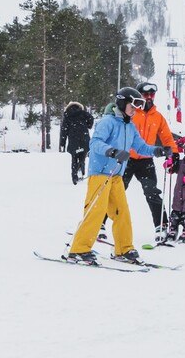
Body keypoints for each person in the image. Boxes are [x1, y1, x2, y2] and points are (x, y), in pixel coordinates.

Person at [65, 87, 158, 265]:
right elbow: (95, 143)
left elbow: (140, 147)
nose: (136, 109)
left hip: (116, 176)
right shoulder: (107, 122)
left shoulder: (130, 126)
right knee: (96, 211)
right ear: (123, 103)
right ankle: (79, 249)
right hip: (100, 173)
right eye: (133, 105)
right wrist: (112, 151)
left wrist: (158, 150)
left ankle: (123, 250)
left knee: (121, 212)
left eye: (139, 106)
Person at [126, 81, 180, 242]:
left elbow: (167, 137)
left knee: (152, 193)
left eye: (151, 94)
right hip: (127, 159)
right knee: (116, 190)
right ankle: (99, 222)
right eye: (145, 94)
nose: (149, 97)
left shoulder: (157, 117)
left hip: (146, 160)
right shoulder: (132, 112)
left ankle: (161, 225)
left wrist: (174, 154)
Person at [58, 100, 93, 184]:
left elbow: (64, 131)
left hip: (73, 140)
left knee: (74, 158)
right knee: (82, 156)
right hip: (84, 138)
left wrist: (62, 143)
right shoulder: (83, 113)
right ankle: (81, 167)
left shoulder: (67, 115)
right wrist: (89, 125)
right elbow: (91, 119)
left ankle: (74, 176)